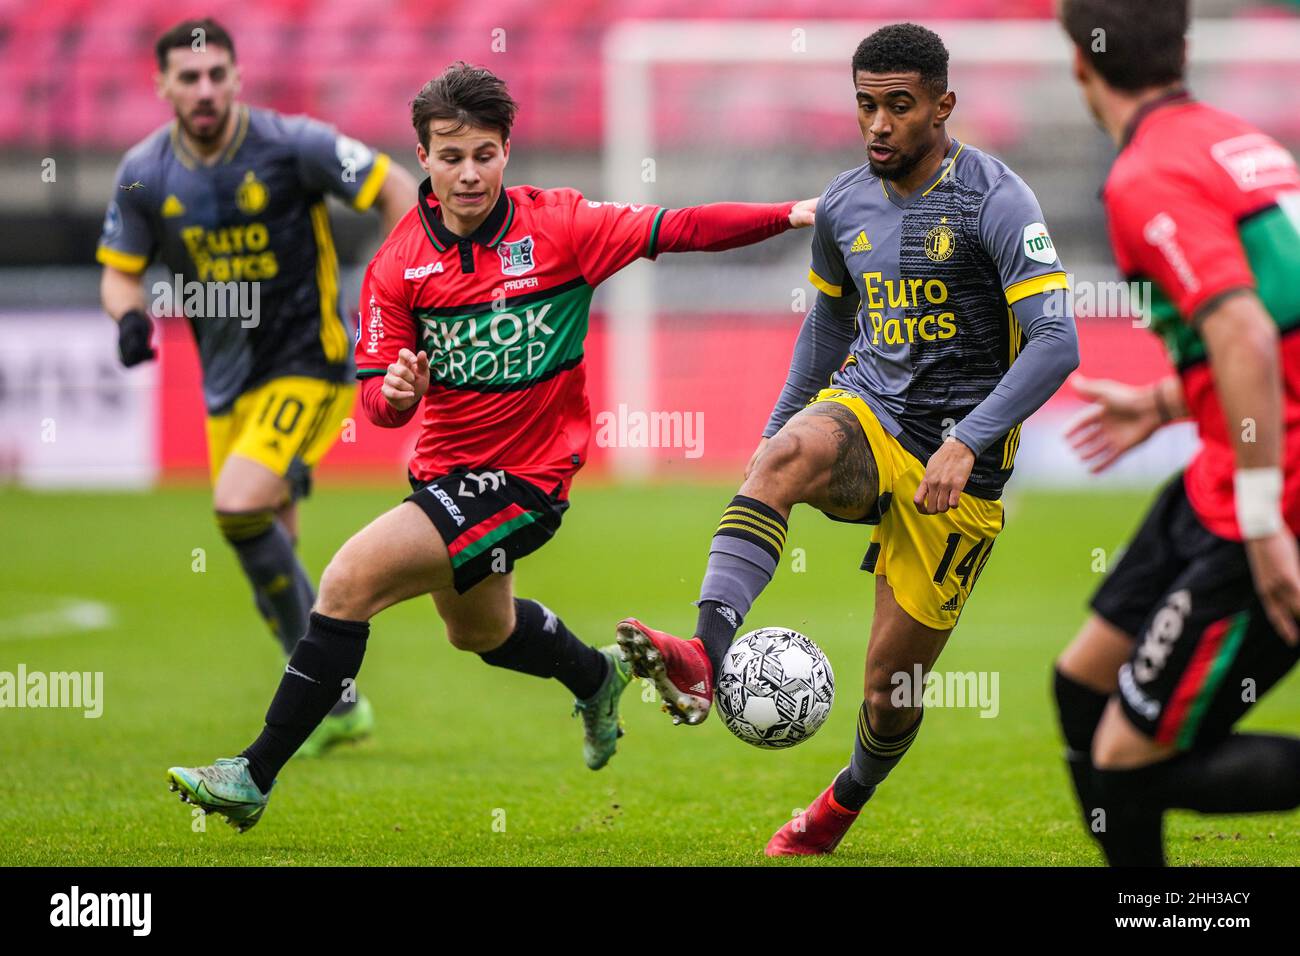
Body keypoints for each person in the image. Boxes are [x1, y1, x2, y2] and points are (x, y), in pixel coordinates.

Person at [163, 61, 818, 832]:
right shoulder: (398, 265)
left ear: (506, 150)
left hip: (530, 480)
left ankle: (252, 773)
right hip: (444, 474)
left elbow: (679, 228)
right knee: (480, 632)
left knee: (346, 582)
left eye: (483, 154)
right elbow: (374, 397)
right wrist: (395, 394)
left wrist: (795, 212)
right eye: (450, 157)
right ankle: (595, 679)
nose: (468, 174)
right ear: (423, 159)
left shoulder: (563, 226)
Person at [617, 22, 1079, 856]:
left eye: (898, 107)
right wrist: (773, 439)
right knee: (789, 454)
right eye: (865, 105)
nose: (877, 124)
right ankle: (701, 654)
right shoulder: (842, 203)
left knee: (888, 692)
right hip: (872, 414)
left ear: (943, 105)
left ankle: (839, 806)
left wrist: (970, 440)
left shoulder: (997, 199)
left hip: (958, 472)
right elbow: (829, 327)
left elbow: (1056, 341)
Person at [97, 18, 417, 756]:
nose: (204, 90)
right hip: (227, 384)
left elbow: (396, 187)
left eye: (217, 75)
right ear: (163, 86)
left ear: (237, 78)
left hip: (310, 361)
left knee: (237, 505)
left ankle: (325, 700)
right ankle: (336, 703)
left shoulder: (292, 144)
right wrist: (128, 318)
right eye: (189, 77)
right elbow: (120, 270)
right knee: (268, 539)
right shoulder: (144, 170)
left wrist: (401, 290)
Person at [1054, 0, 1300, 866]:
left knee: (1130, 765)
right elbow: (1275, 314)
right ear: (1184, 49)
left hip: (1271, 484)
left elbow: (1245, 332)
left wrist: (1267, 518)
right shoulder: (1233, 139)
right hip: (1229, 459)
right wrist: (1165, 402)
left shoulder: (1145, 175)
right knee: (1081, 682)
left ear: (1080, 66)